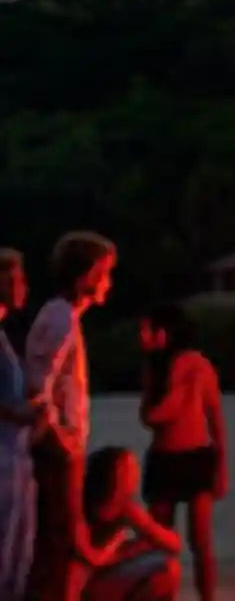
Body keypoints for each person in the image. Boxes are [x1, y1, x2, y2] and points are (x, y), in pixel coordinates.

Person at [23, 230, 116, 601]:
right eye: (105, 273)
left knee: (60, 543)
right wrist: (64, 442)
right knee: (59, 545)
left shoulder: (63, 317)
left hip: (60, 448)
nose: (108, 282)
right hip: (58, 452)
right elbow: (37, 389)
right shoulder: (60, 319)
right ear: (87, 275)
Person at [138, 304, 226, 601]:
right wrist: (173, 398)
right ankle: (161, 594)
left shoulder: (196, 365)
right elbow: (151, 416)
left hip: (196, 457)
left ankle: (207, 597)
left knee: (200, 540)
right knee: (158, 540)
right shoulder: (154, 366)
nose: (141, 336)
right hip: (164, 458)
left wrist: (221, 467)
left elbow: (214, 417)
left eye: (146, 330)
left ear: (164, 333)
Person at [75, 446, 182, 601]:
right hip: (85, 585)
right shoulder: (83, 511)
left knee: (167, 567)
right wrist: (121, 551)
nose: (134, 476)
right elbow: (90, 559)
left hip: (103, 576)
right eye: (127, 470)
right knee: (164, 571)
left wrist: (145, 527)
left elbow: (174, 545)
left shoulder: (126, 511)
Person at [0, 248, 43, 599]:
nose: (24, 287)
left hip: (15, 461)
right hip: (3, 465)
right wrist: (22, 413)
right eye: (17, 279)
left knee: (17, 562)